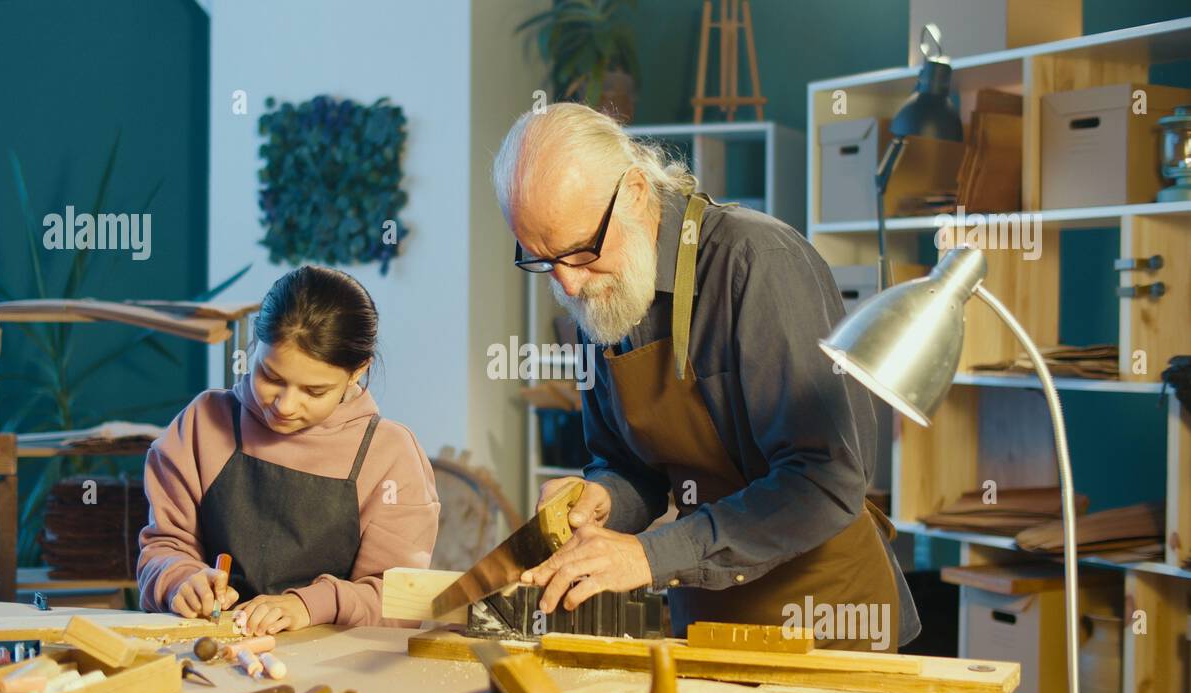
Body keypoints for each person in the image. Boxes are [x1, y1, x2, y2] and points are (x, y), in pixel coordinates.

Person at [493, 103, 919, 651]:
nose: (568, 285)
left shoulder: (757, 261)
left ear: (637, 193)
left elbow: (825, 479)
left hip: (826, 621)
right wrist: (602, 497)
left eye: (579, 252)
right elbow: (633, 469)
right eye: (543, 260)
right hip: (708, 619)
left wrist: (649, 555)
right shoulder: (602, 295)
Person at [137, 265, 440, 635]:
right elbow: (163, 548)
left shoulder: (392, 455)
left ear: (359, 370)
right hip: (209, 652)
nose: (285, 405)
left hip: (336, 673)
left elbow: (398, 602)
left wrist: (308, 605)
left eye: (314, 391)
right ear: (255, 344)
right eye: (271, 377)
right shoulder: (202, 424)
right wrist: (179, 579)